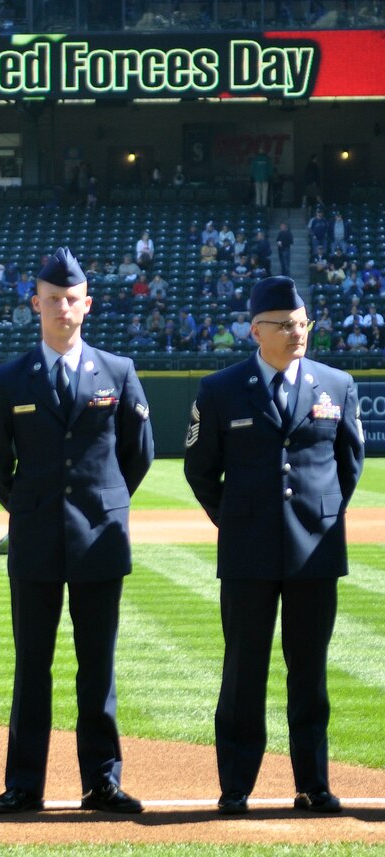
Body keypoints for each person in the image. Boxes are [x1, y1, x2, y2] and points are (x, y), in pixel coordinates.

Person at [0, 247, 154, 816]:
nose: (61, 308)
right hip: (35, 541)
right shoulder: (10, 379)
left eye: (71, 299)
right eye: (51, 299)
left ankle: (101, 781)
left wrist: (102, 504)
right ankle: (24, 784)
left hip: (99, 539)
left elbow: (138, 455)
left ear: (87, 305)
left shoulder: (118, 371)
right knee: (32, 666)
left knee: (96, 666)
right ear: (36, 305)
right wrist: (28, 508)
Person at [184, 275, 364, 816]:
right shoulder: (220, 390)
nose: (296, 333)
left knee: (309, 671)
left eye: (302, 323)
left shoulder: (337, 384)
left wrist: (320, 515)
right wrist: (237, 519)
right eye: (284, 325)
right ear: (255, 331)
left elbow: (348, 465)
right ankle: (236, 785)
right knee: (244, 671)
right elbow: (200, 469)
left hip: (315, 550)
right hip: (248, 553)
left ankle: (313, 783)